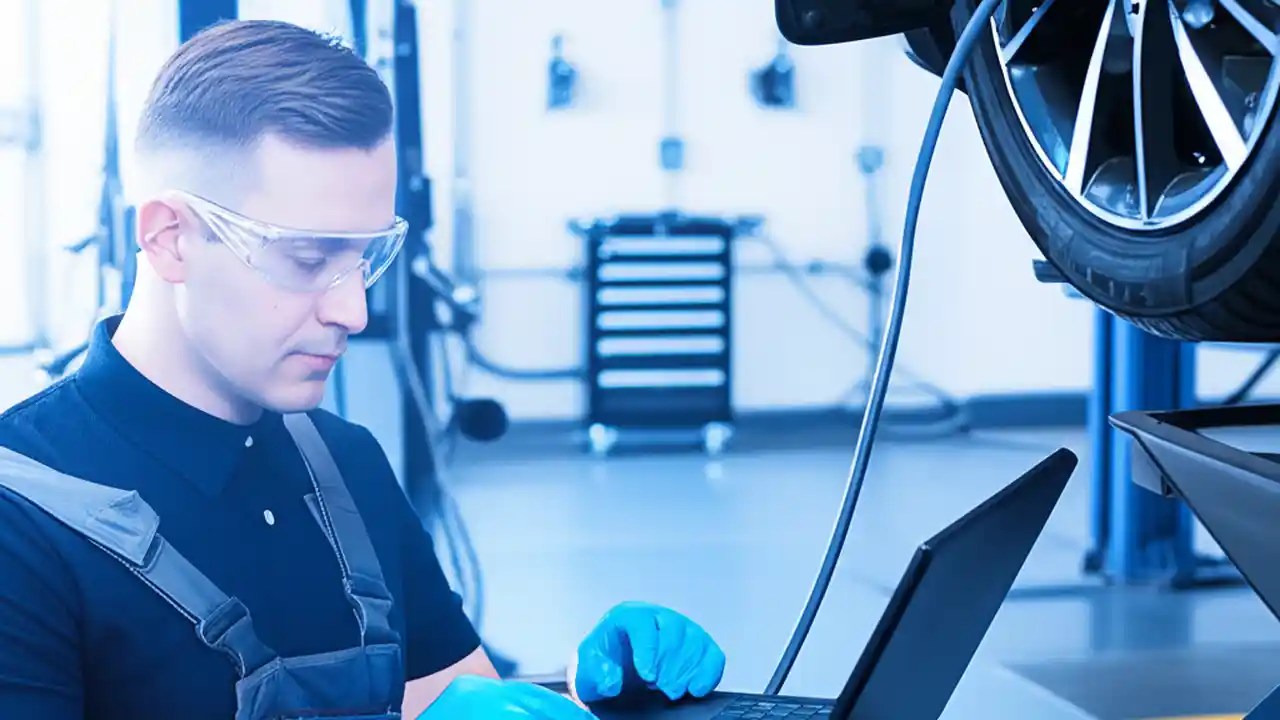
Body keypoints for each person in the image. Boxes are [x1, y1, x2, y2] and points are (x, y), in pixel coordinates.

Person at [0, 19, 725, 720]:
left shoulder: (344, 467)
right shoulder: (20, 520)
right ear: (169, 239)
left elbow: (445, 700)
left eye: (365, 258)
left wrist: (597, 700)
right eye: (308, 259)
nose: (353, 310)